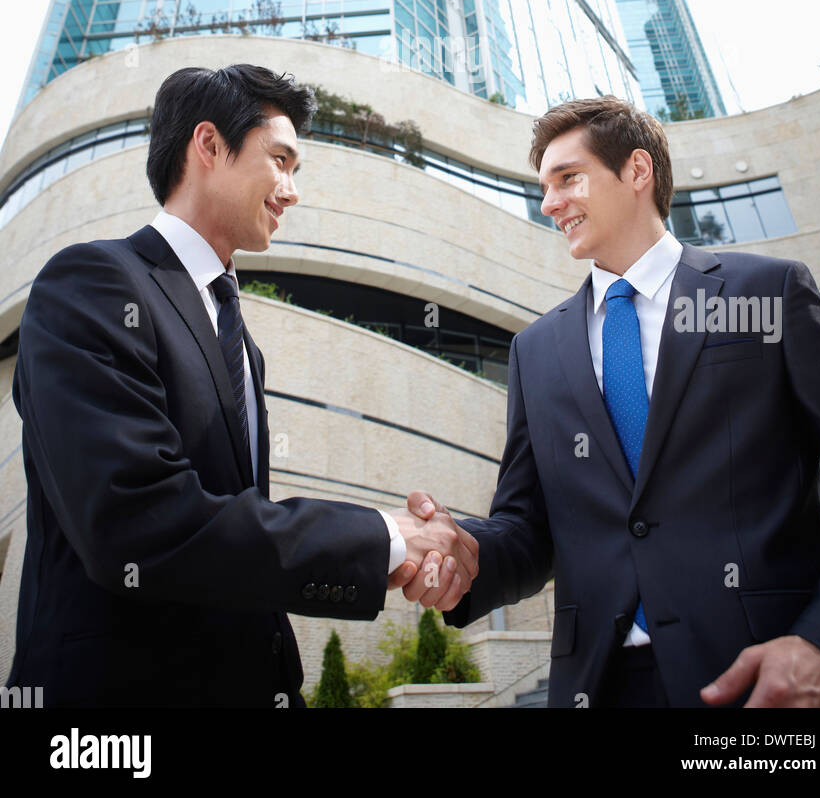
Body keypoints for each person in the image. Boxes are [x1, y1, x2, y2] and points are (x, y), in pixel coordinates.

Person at [6, 63, 477, 708]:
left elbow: (229, 527)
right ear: (209, 146)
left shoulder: (238, 339)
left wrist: (383, 559)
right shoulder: (91, 283)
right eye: (280, 160)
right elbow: (137, 519)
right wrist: (381, 535)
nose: (291, 191)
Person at [420, 95, 820, 708]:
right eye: (543, 187)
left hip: (761, 679)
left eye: (568, 178)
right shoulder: (536, 349)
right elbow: (529, 530)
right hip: (598, 684)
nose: (549, 204)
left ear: (637, 171)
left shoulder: (769, 294)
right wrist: (465, 555)